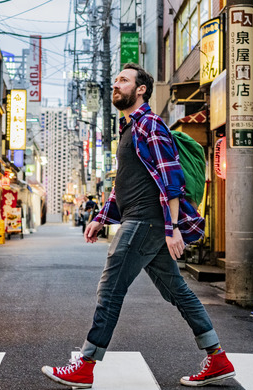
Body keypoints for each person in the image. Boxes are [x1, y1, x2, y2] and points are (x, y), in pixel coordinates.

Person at [42, 64, 236, 388]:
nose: (116, 85)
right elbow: (123, 184)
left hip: (145, 222)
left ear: (141, 89)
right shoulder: (129, 128)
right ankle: (217, 357)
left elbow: (172, 180)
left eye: (123, 80)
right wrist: (101, 217)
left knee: (110, 288)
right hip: (143, 222)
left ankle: (86, 365)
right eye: (116, 79)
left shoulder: (151, 125)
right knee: (177, 290)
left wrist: (172, 228)